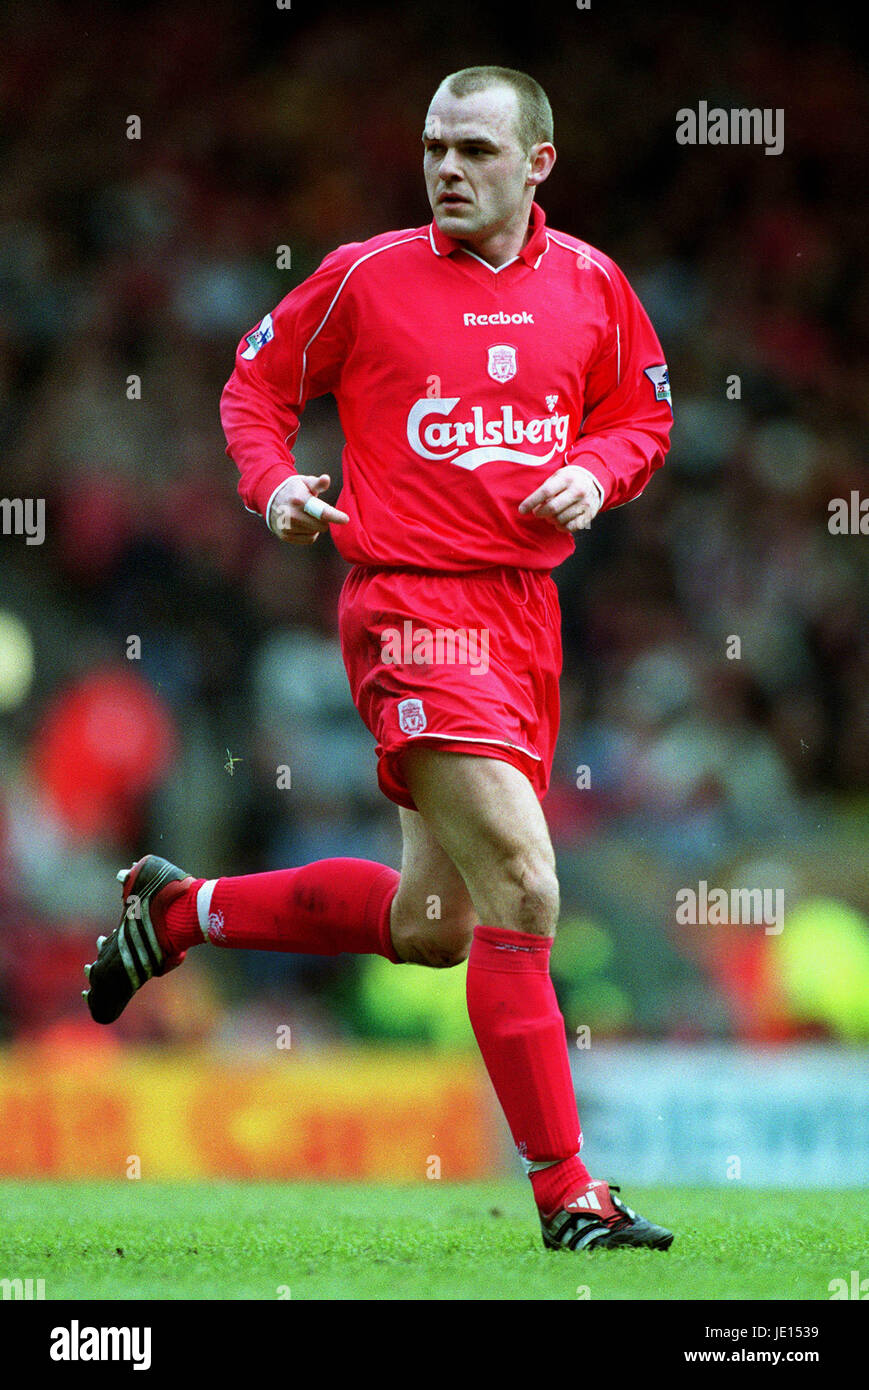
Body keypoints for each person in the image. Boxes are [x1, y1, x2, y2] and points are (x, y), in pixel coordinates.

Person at [84, 66, 674, 1252]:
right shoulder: (365, 277)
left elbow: (642, 415)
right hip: (407, 610)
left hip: (523, 621)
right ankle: (567, 1194)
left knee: (436, 924)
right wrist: (273, 486)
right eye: (433, 147)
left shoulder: (594, 287)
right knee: (525, 881)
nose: (447, 169)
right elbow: (254, 387)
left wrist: (598, 473)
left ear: (537, 165)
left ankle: (183, 909)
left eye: (475, 150)